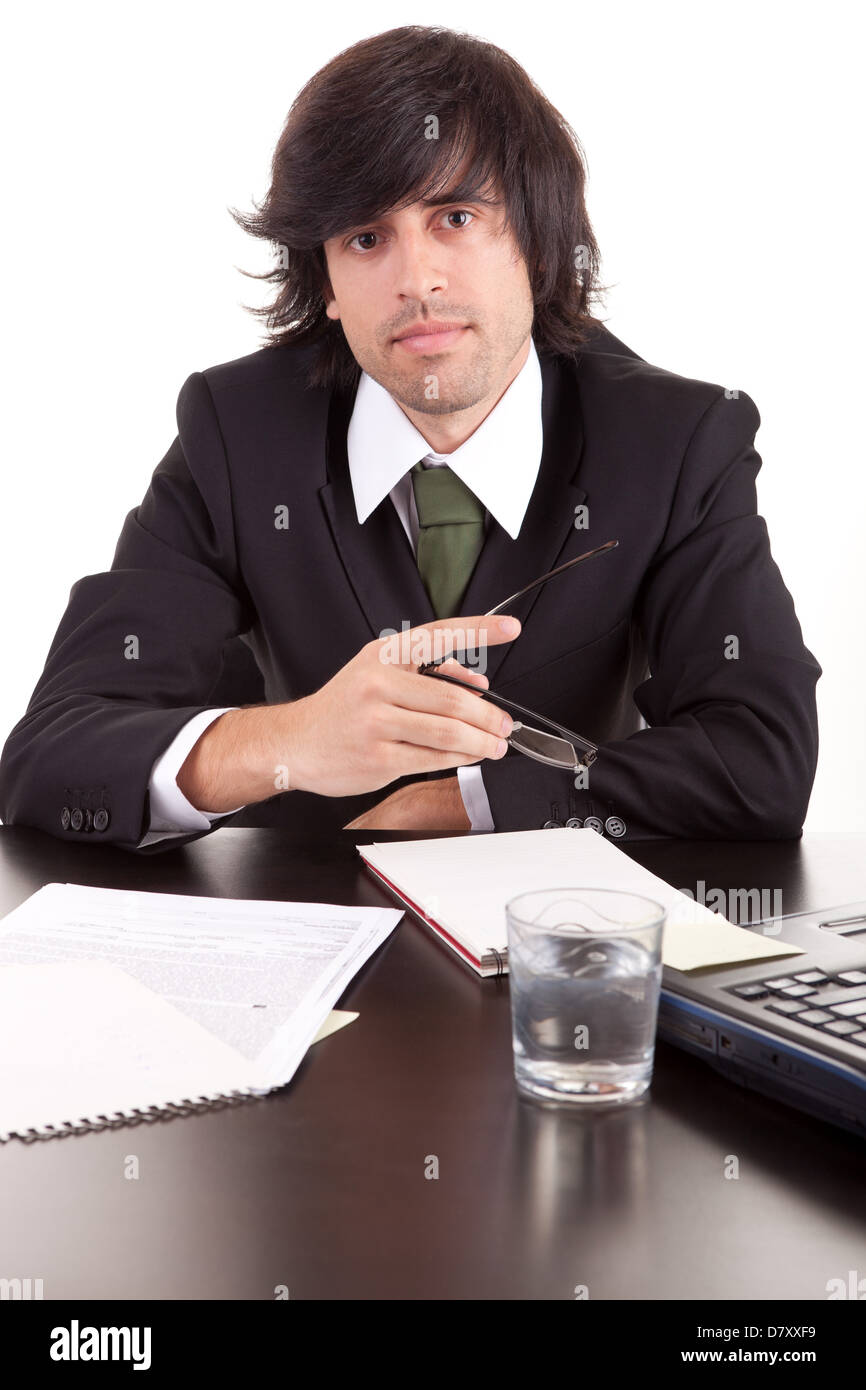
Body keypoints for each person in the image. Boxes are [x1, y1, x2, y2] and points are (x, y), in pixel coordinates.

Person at [0, 25, 821, 853]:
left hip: (558, 933)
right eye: (365, 238)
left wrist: (468, 801)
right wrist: (285, 745)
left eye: (455, 217)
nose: (416, 281)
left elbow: (759, 760)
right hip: (300, 937)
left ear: (535, 244)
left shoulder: (674, 440)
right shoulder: (235, 430)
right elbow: (51, 755)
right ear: (324, 281)